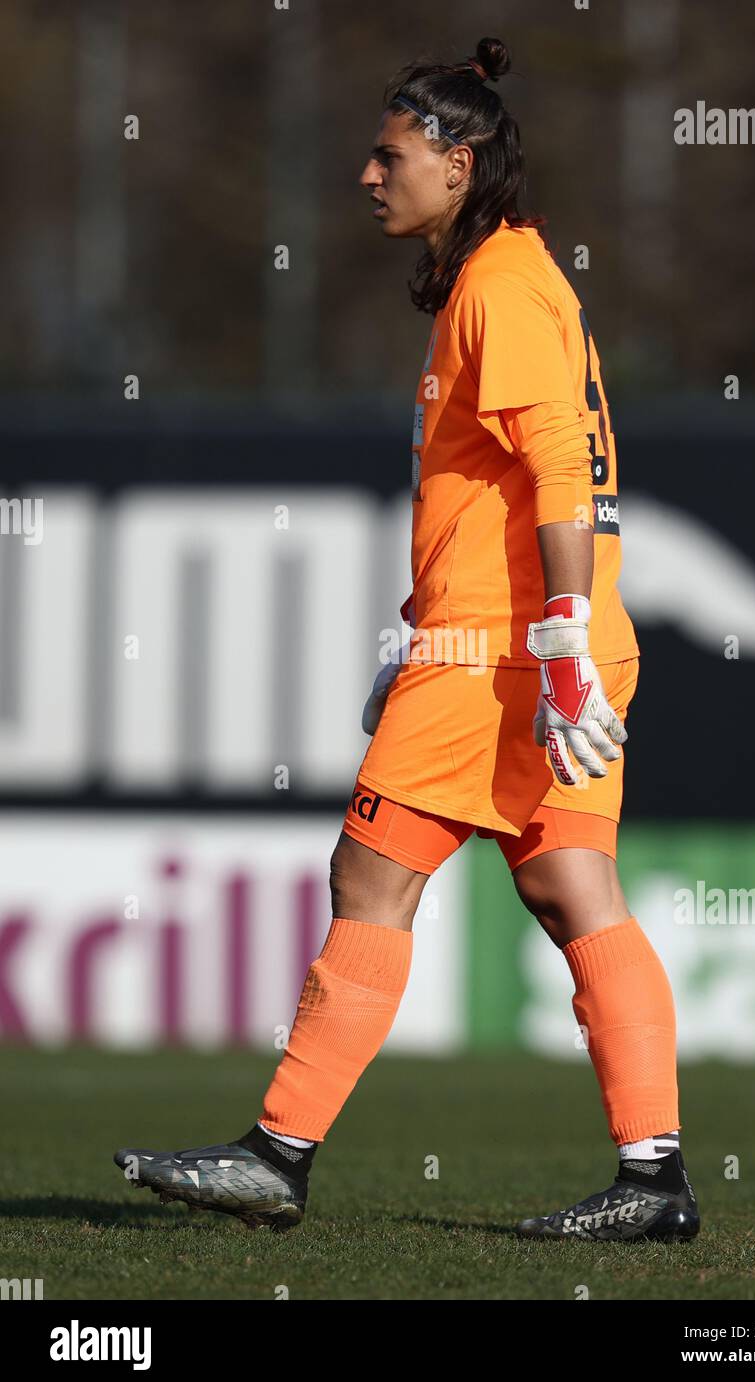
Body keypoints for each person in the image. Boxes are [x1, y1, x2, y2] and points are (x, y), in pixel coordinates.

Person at [114, 36, 699, 1244]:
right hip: (512, 638)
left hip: (511, 649)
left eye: (389, 155)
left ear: (457, 156)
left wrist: (552, 636)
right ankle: (653, 1179)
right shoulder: (504, 277)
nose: (366, 175)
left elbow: (560, 476)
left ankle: (277, 1153)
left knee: (369, 879)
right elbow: (510, 488)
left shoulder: (499, 286)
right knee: (569, 886)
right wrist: (451, 625)